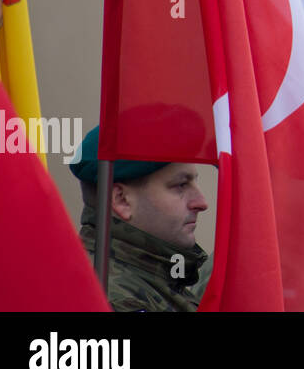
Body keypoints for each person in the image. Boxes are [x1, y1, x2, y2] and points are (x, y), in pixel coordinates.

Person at [69, 125, 209, 312]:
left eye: (194, 182)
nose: (201, 202)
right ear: (121, 200)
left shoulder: (158, 279)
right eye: (181, 185)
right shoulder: (115, 300)